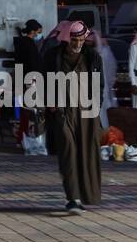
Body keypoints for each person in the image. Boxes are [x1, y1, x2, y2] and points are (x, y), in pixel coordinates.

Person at [42, 20, 102, 213]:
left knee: (86, 153)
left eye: (81, 39)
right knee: (68, 152)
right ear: (68, 38)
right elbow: (43, 79)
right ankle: (72, 198)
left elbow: (98, 85)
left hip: (86, 112)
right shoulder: (53, 56)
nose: (78, 44)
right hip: (63, 111)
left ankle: (85, 196)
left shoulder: (93, 56)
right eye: (74, 39)